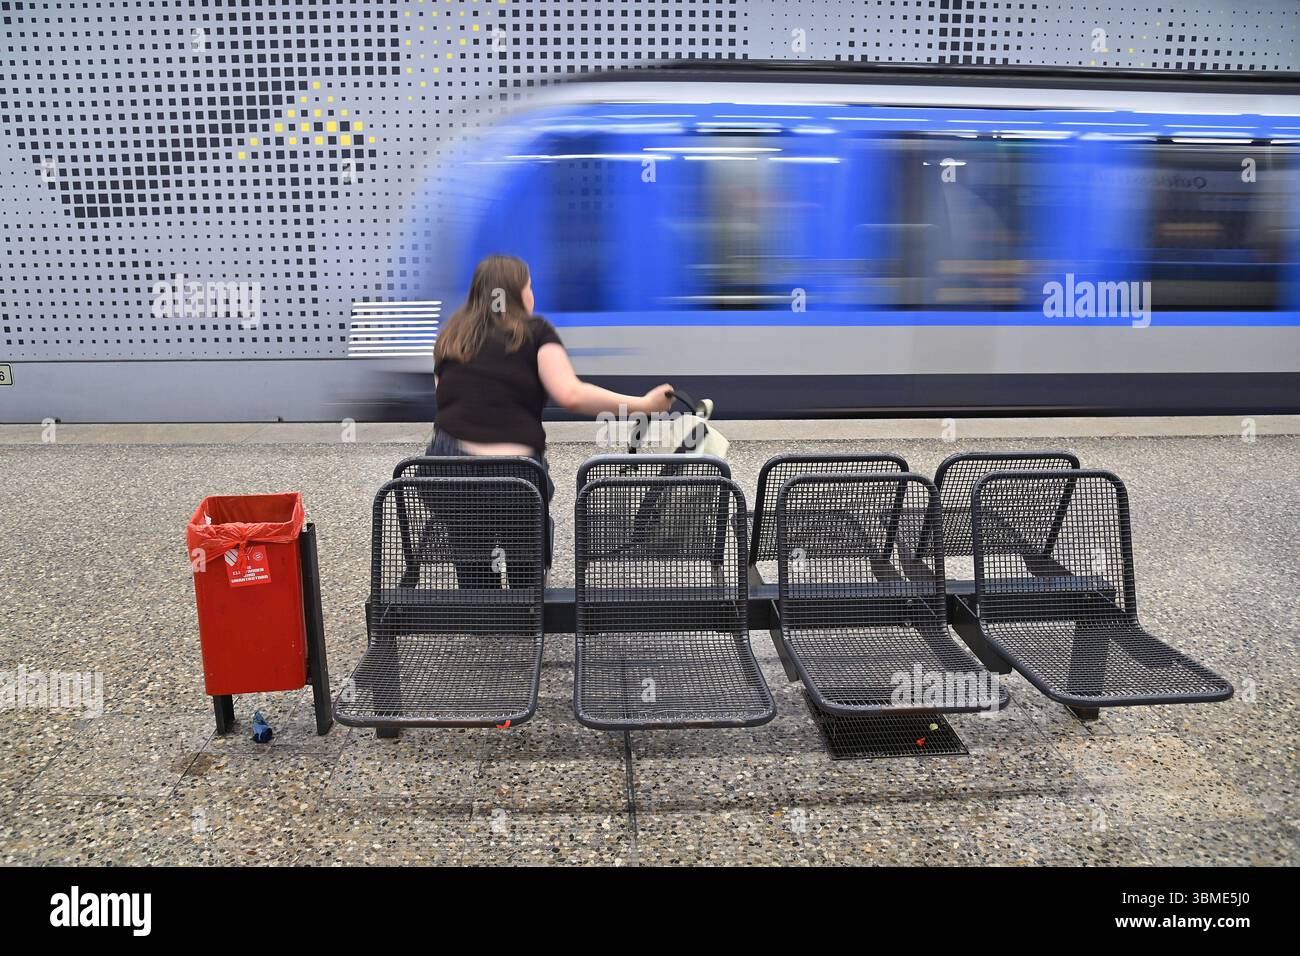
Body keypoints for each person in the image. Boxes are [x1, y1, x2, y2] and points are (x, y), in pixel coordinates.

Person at [426, 254, 674, 587]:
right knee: (525, 544)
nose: (533, 294)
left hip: (447, 478)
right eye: (529, 286)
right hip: (514, 483)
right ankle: (527, 600)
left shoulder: (450, 336)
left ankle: (481, 600)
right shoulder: (535, 332)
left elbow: (445, 403)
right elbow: (571, 395)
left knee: (474, 554)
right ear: (517, 292)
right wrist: (644, 404)